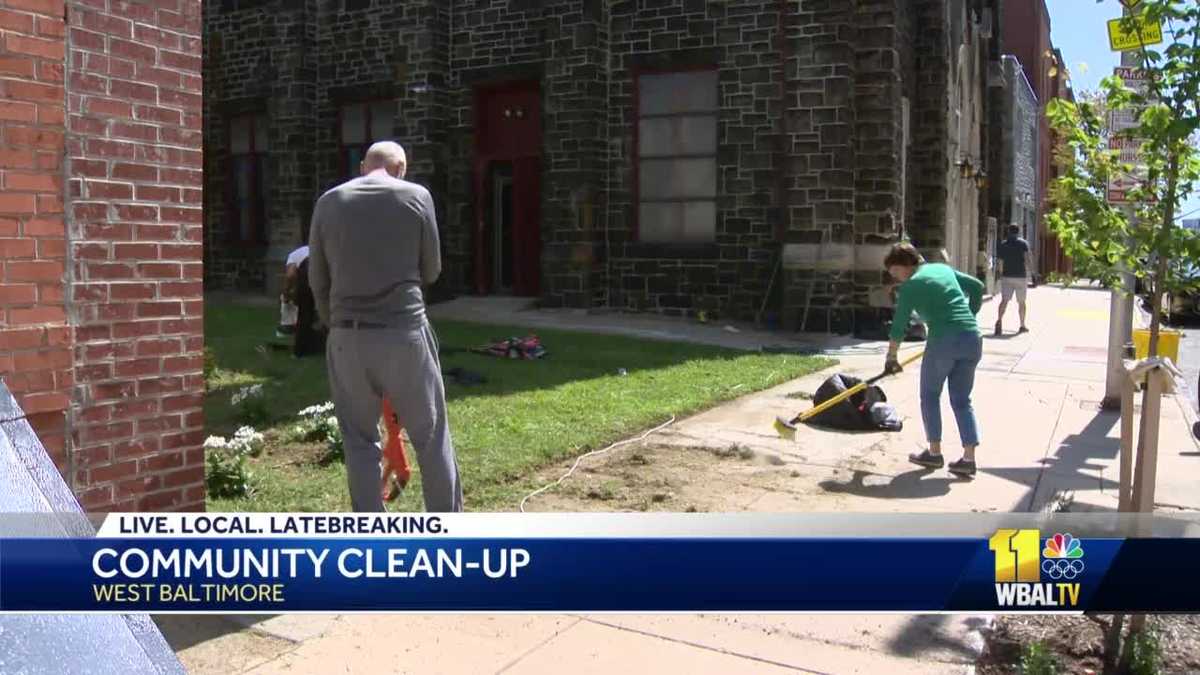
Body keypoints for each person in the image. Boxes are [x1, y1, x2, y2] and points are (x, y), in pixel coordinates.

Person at [308, 141, 463, 512]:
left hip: (346, 335)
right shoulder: (417, 196)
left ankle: (370, 533)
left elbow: (317, 278)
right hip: (403, 331)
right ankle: (448, 530)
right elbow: (432, 270)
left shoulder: (328, 201)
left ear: (364, 166)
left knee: (359, 442)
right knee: (431, 438)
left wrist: (335, 325)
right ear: (402, 168)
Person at [883, 242, 984, 478]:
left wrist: (891, 356)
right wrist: (970, 315)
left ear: (905, 265)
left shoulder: (911, 286)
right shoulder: (943, 269)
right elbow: (977, 287)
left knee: (930, 395)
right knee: (961, 400)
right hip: (972, 338)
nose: (895, 277)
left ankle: (934, 453)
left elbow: (899, 325)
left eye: (895, 271)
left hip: (943, 342)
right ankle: (968, 459)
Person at [994, 224, 1033, 336]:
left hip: (1007, 276)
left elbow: (1000, 262)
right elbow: (1027, 259)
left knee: (1004, 300)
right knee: (1021, 302)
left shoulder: (1003, 244)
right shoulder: (1023, 244)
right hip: (1020, 276)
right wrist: (1031, 273)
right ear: (1018, 232)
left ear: (1008, 232)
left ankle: (999, 321)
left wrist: (1001, 274)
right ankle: (1022, 325)